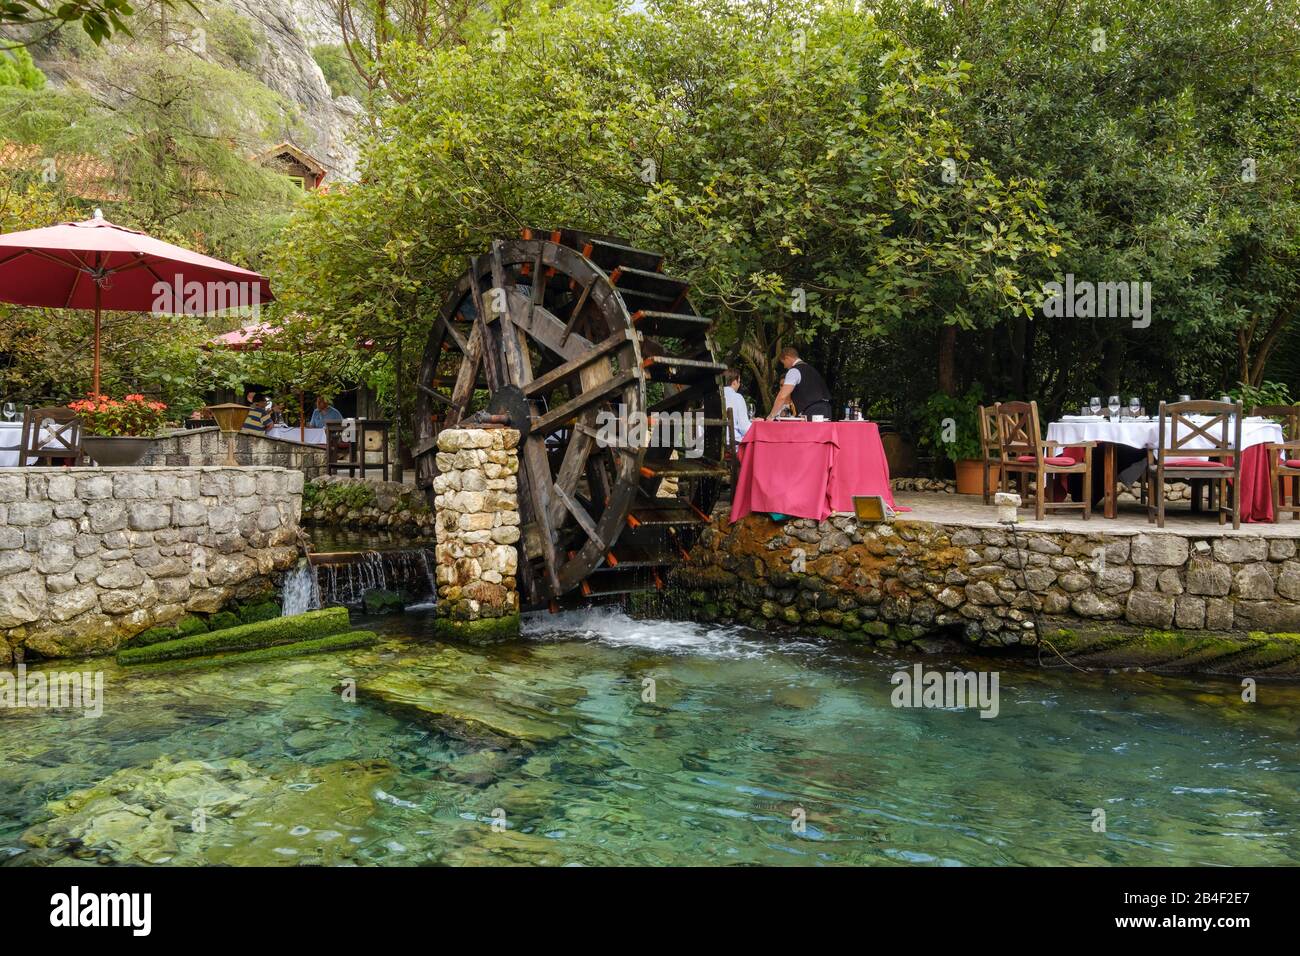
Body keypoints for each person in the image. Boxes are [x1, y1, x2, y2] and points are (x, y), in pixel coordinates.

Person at [766, 346, 832, 420]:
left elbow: (782, 396)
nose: (784, 366)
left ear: (787, 358)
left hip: (813, 411)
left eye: (783, 363)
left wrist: (771, 416)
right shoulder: (812, 370)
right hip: (827, 409)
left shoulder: (794, 371)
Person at [723, 367, 752, 442]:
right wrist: (755, 425)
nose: (739, 384)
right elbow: (744, 428)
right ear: (734, 382)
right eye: (739, 381)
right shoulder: (737, 397)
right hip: (733, 443)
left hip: (712, 443)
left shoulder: (713, 396)